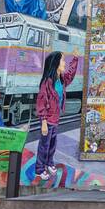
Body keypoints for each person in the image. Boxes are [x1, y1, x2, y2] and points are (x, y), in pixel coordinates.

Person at [33, 50, 80, 181]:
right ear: (56, 64)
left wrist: (75, 59)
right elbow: (41, 102)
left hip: (55, 119)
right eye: (63, 61)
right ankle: (39, 169)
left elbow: (70, 74)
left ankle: (49, 163)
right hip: (47, 120)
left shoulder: (61, 79)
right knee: (44, 145)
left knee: (52, 144)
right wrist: (43, 122)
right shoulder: (47, 82)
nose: (64, 63)